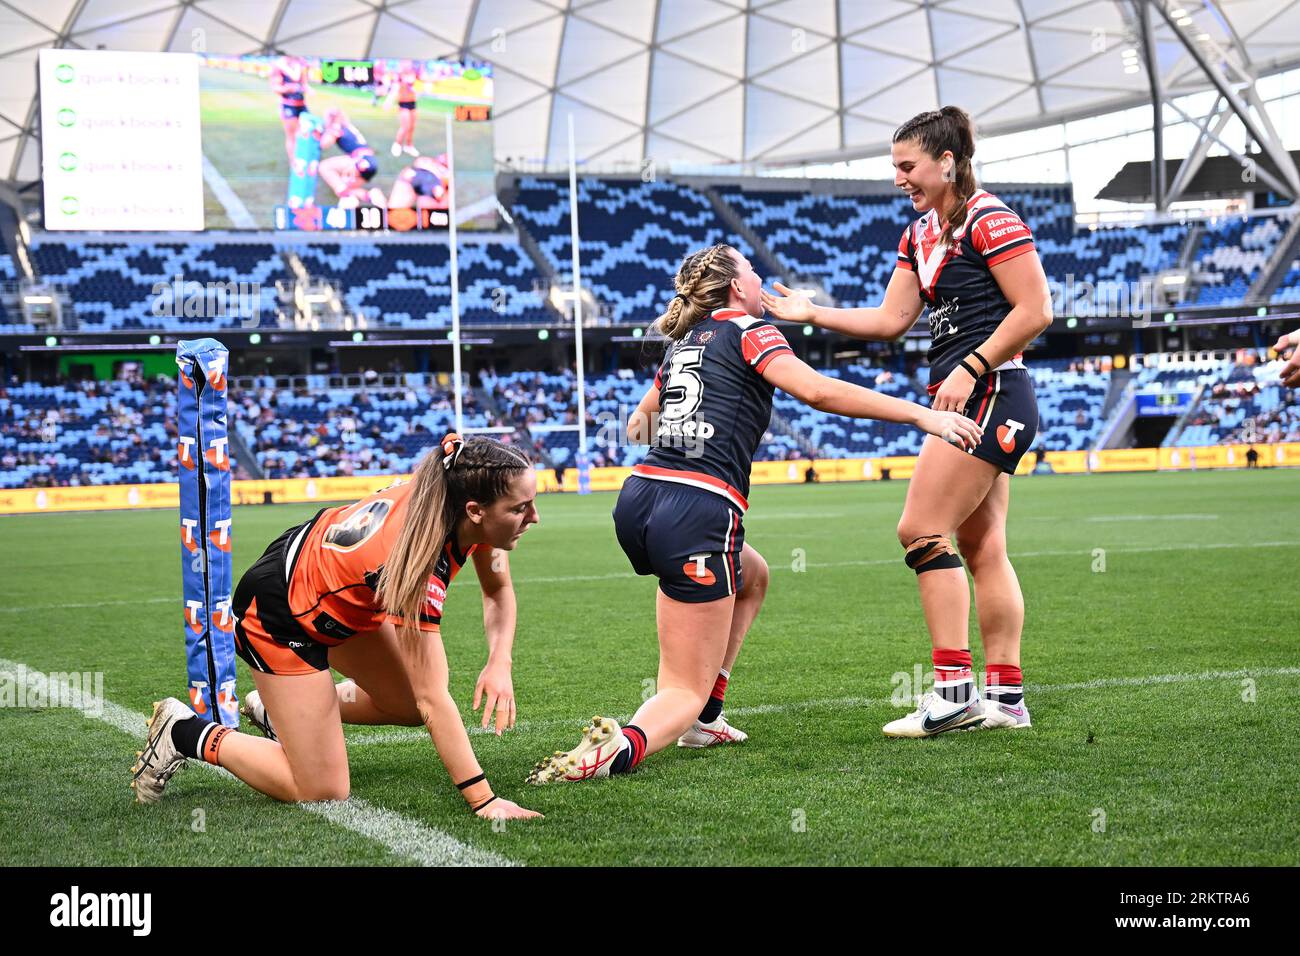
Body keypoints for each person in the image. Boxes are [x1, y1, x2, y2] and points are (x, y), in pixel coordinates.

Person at [526, 243, 983, 784]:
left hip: (639, 499)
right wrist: (920, 416)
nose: (759, 277)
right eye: (750, 269)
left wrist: (694, 423)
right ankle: (611, 752)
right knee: (679, 688)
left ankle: (707, 718)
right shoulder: (749, 329)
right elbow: (817, 391)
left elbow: (636, 428)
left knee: (753, 574)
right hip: (696, 510)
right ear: (736, 289)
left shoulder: (680, 345)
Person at [764, 106, 1053, 738]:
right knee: (983, 546)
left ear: (947, 162)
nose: (899, 179)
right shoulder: (919, 233)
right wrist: (811, 313)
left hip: (990, 392)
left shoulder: (992, 219)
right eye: (894, 167)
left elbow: (1036, 309)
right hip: (976, 394)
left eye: (907, 166)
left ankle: (953, 694)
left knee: (920, 530)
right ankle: (1007, 701)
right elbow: (892, 320)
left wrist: (971, 367)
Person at [132, 435, 542, 821]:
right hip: (281, 612)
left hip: (337, 595)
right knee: (322, 789)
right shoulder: (419, 563)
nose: (534, 517)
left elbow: (497, 590)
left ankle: (278, 709)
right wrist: (483, 799)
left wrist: (499, 661)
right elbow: (434, 699)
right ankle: (185, 731)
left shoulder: (460, 498)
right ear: (476, 511)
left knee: (403, 704)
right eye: (521, 508)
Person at [271, 55, 310, 162]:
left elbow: (304, 84)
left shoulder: (300, 62)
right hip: (288, 105)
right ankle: (294, 163)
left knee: (305, 133)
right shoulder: (279, 65)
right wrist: (288, 88)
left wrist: (307, 89)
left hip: (302, 104)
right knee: (292, 135)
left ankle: (303, 159)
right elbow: (275, 87)